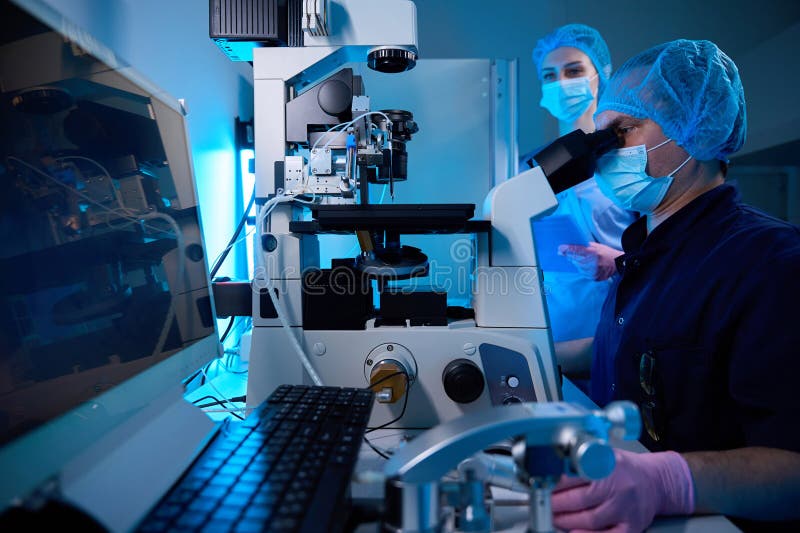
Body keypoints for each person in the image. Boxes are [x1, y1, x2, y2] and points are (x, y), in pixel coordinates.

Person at [552, 39, 800, 532]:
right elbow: (638, 346)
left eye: (622, 131)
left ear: (696, 133)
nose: (603, 155)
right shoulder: (647, 249)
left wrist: (668, 481)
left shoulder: (770, 262)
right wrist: (538, 353)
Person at [523, 24, 637, 346]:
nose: (560, 83)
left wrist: (617, 260)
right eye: (549, 75)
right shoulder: (526, 167)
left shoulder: (628, 164)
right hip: (547, 329)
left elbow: (662, 252)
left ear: (601, 73)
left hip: (611, 329)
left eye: (573, 71)